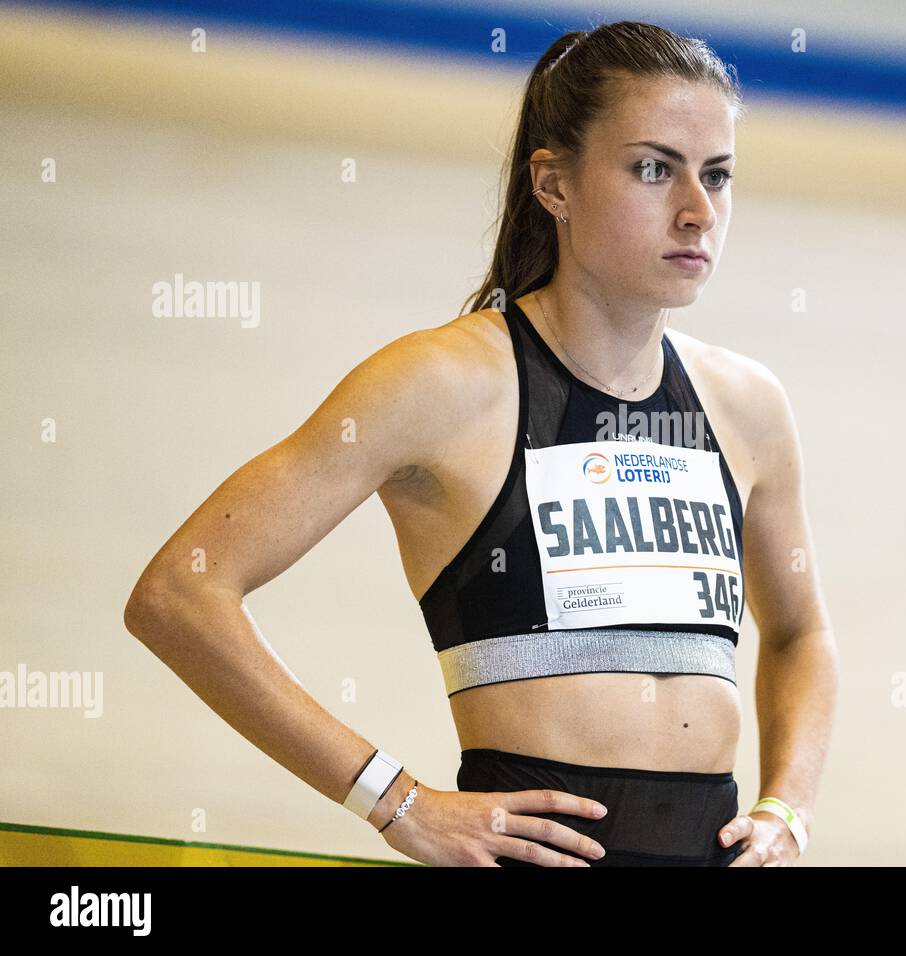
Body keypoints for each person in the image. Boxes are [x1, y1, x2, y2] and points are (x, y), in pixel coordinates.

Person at [124, 20, 836, 867]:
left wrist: (788, 808)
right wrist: (396, 801)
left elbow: (801, 636)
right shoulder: (443, 384)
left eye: (717, 175)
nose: (697, 210)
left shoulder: (748, 406)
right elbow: (178, 596)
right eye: (653, 168)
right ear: (554, 183)